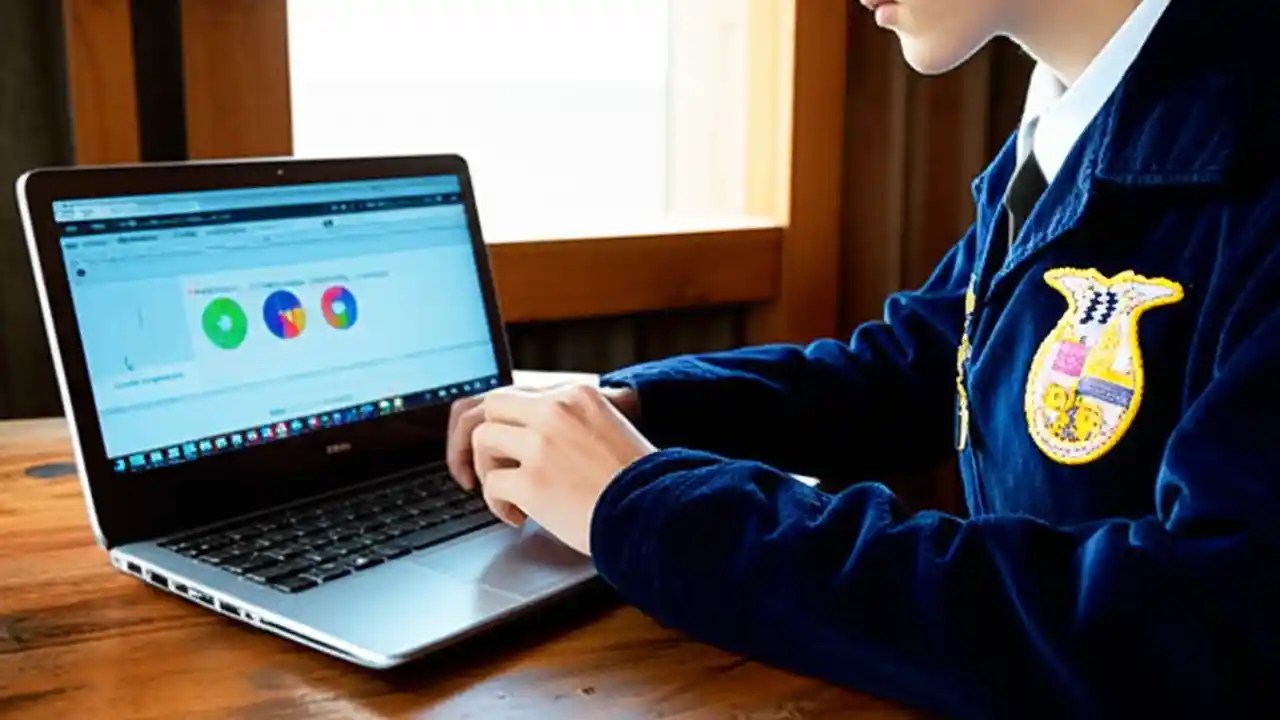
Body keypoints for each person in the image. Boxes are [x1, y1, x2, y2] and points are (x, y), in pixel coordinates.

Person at [447, 0, 1280, 716]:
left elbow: (1203, 625)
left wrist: (653, 509)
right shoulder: (1074, 125)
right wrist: (636, 410)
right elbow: (917, 364)